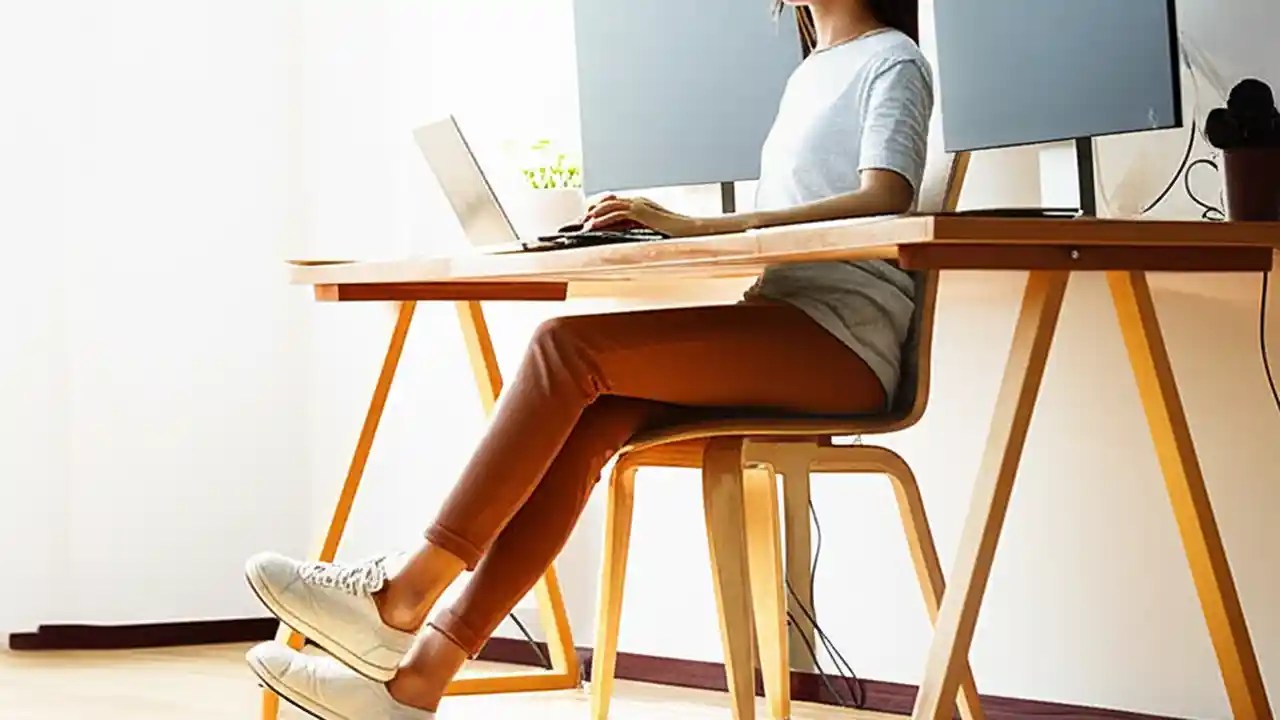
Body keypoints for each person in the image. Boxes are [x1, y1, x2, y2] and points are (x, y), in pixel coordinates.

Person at [245, 1, 933, 717]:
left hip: (845, 344)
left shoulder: (894, 60)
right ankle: (416, 685)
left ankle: (405, 594)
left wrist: (702, 227)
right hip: (784, 321)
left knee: (564, 347)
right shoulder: (812, 73)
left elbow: (888, 194)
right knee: (594, 412)